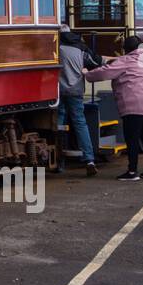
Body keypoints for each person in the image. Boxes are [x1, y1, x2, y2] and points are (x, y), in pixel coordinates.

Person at [83, 36, 143, 182]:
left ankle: (132, 171)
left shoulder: (125, 61)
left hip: (135, 105)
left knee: (132, 138)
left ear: (125, 49)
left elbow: (104, 72)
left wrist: (87, 74)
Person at [58, 26, 104, 176]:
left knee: (59, 124)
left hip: (58, 92)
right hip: (76, 91)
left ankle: (59, 161)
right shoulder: (80, 47)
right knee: (80, 123)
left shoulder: (56, 47)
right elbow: (95, 62)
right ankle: (89, 159)